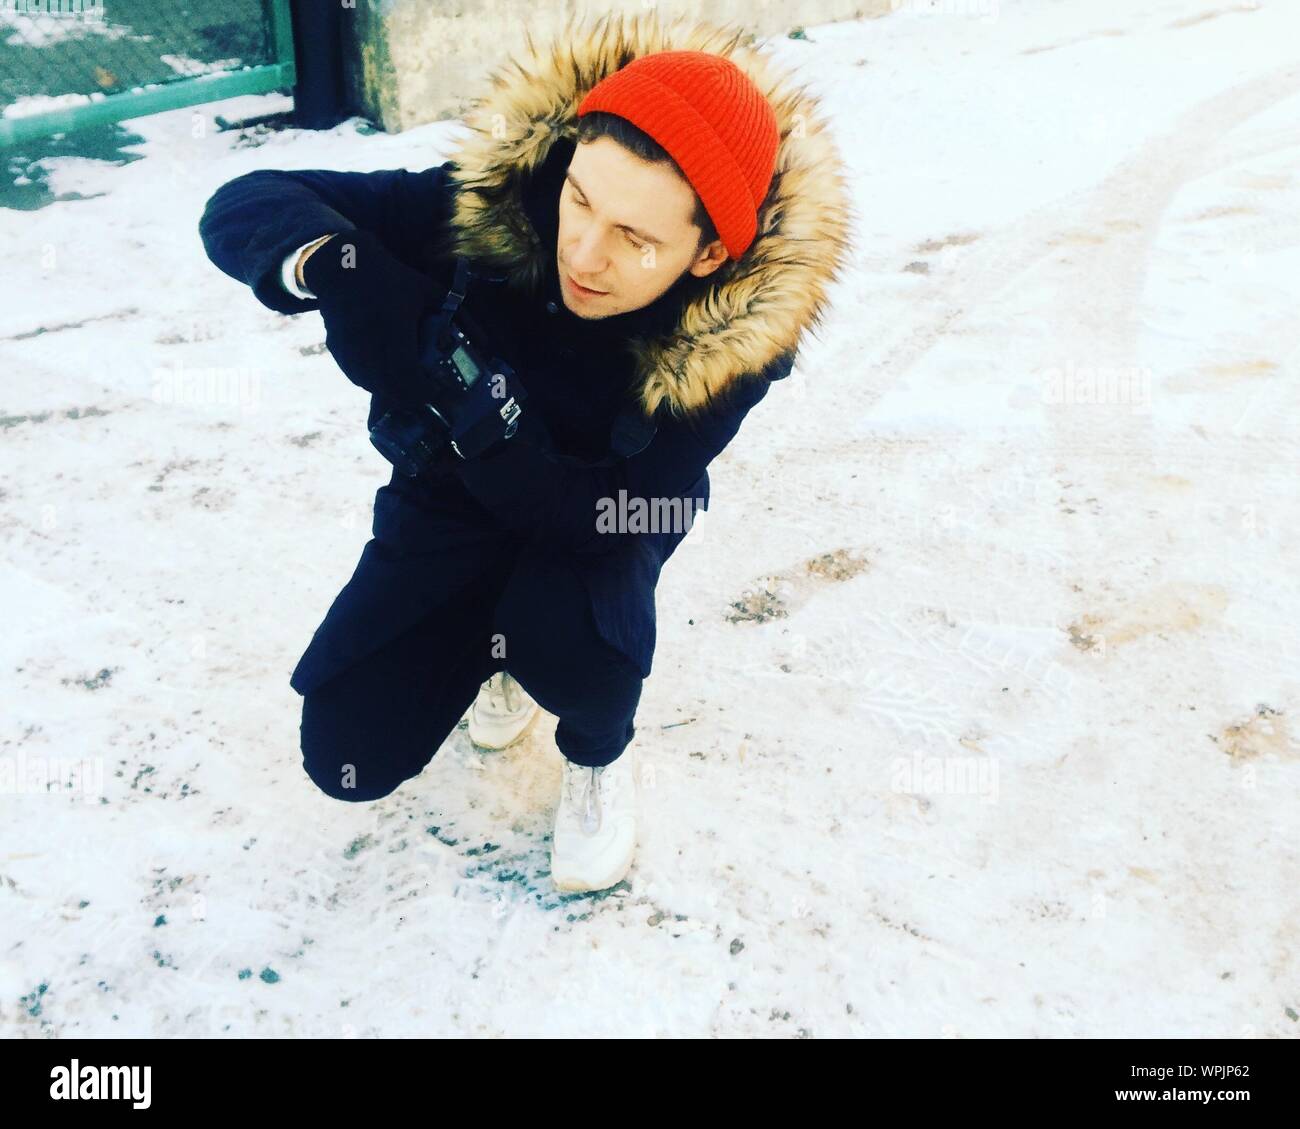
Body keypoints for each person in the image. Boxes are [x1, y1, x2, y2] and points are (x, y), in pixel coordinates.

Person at [197, 11, 852, 893]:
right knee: (347, 750)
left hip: (606, 516)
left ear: (707, 256)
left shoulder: (732, 345)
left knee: (572, 639)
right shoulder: (495, 205)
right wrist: (335, 266)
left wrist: (491, 431)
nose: (584, 252)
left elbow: (622, 504)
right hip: (450, 502)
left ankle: (595, 750)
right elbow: (245, 202)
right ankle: (489, 652)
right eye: (583, 199)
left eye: (637, 238)